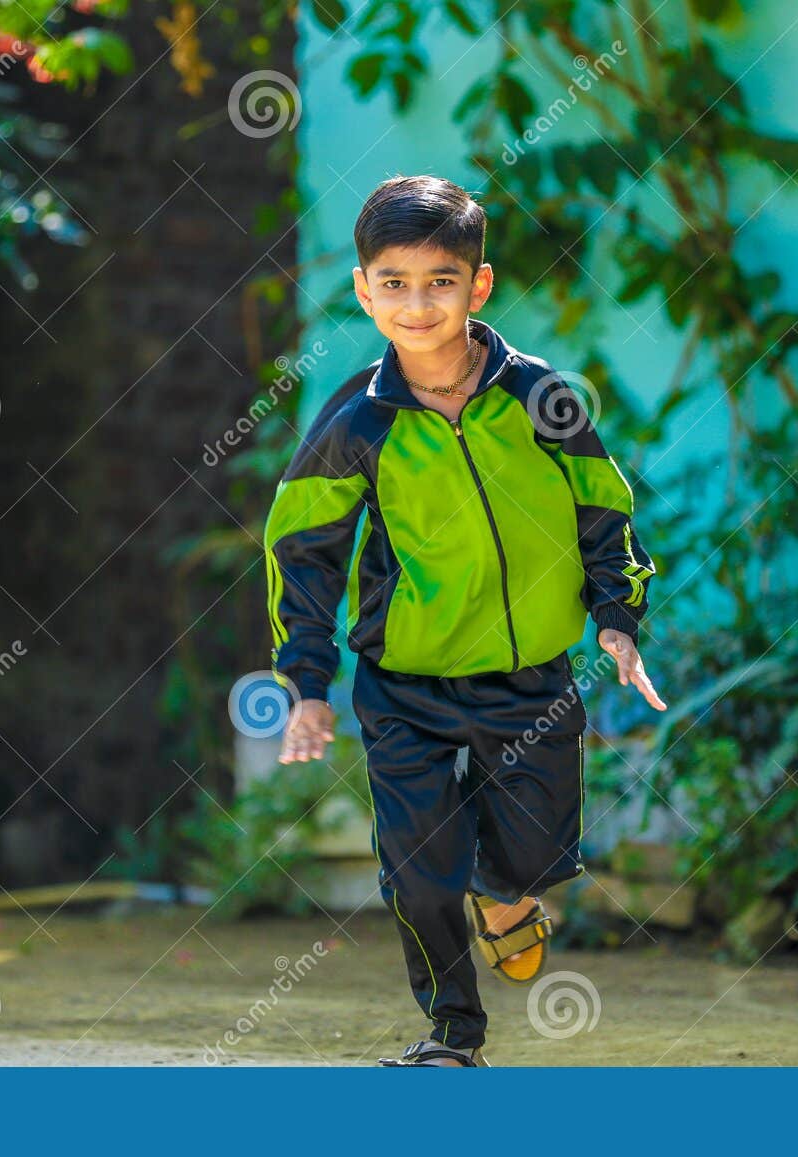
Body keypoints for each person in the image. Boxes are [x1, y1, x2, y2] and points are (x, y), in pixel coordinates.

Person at [262, 174, 666, 1067]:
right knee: (417, 862)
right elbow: (305, 549)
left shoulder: (540, 396)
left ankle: (509, 891)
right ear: (365, 291)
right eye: (394, 283)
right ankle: (453, 1031)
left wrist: (617, 614)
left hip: (530, 678)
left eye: (440, 279)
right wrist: (308, 682)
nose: (417, 302)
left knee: (531, 855)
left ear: (477, 287)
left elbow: (605, 510)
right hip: (402, 679)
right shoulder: (354, 422)